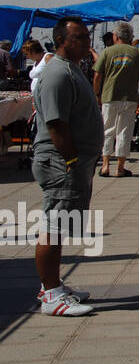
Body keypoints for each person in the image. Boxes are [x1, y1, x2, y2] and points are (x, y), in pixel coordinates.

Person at [31, 17, 103, 317]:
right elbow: (56, 123)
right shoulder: (58, 74)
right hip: (62, 161)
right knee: (53, 226)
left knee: (61, 225)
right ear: (61, 40)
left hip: (74, 160)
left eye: (87, 36)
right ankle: (51, 295)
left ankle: (54, 285)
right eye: (79, 37)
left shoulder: (71, 69)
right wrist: (71, 160)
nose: (87, 42)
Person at [93, 22, 139, 179]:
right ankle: (121, 168)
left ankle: (105, 165)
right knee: (125, 131)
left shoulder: (107, 52)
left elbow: (97, 76)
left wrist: (97, 94)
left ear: (116, 36)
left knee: (107, 129)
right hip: (129, 97)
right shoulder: (137, 52)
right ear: (130, 37)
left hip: (109, 96)